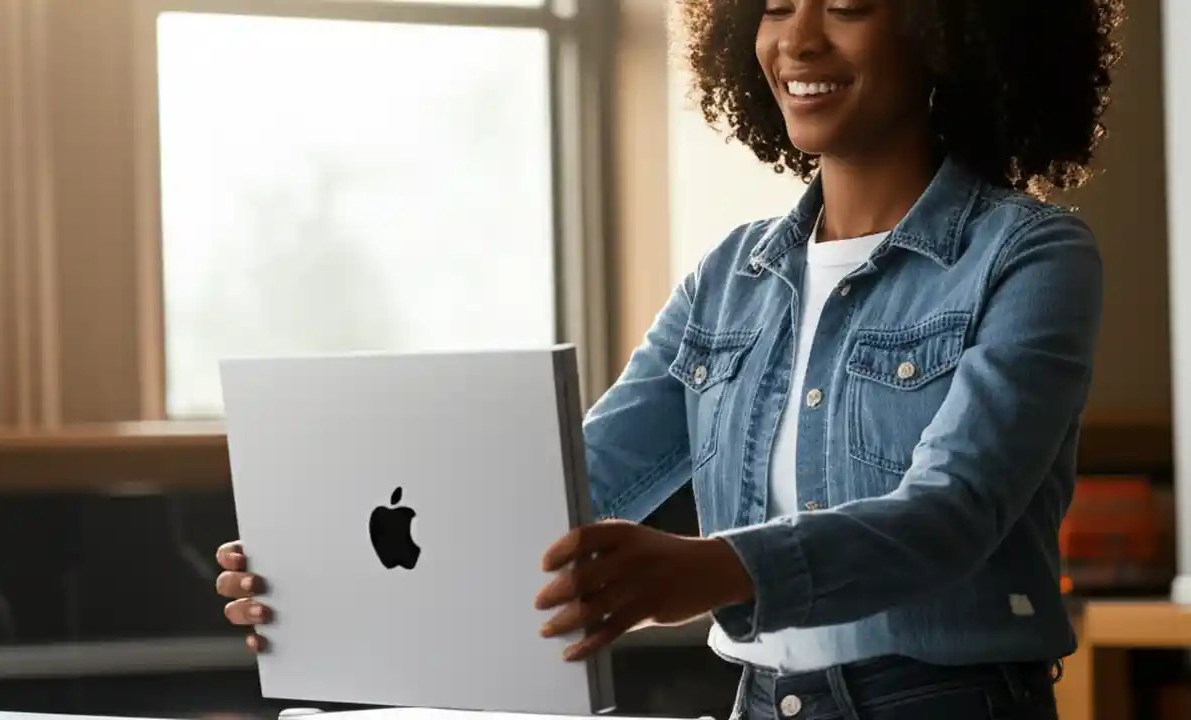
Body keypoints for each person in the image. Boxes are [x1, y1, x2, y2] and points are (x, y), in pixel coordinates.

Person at [215, 0, 1122, 717]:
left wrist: (717, 568)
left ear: (946, 31)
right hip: (757, 703)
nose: (797, 39)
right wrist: (322, 576)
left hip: (949, 707)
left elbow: (953, 517)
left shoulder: (1029, 257)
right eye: (771, 7)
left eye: (847, 5)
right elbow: (573, 484)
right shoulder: (730, 277)